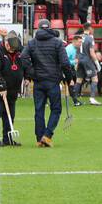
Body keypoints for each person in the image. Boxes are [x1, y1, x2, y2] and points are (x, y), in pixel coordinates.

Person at [21, 19, 72, 147]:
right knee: (56, 109)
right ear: (49, 27)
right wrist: (69, 77)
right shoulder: (57, 43)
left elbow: (23, 57)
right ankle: (47, 135)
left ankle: (39, 139)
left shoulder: (32, 43)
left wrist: (32, 73)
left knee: (39, 110)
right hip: (53, 81)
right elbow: (65, 63)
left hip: (38, 81)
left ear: (38, 28)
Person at [0, 31, 23, 147]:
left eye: (14, 49)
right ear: (6, 43)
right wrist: (1, 86)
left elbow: (22, 65)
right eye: (10, 48)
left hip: (12, 89)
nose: (12, 50)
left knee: (10, 115)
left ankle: (8, 139)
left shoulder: (18, 50)